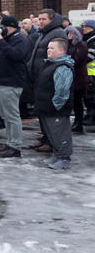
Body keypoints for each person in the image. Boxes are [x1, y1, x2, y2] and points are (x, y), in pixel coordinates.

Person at [0, 16, 31, 158]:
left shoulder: (20, 39)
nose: (2, 29)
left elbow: (17, 55)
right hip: (0, 82)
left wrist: (1, 42)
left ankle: (15, 146)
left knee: (12, 116)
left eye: (4, 27)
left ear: (12, 26)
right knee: (5, 116)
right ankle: (10, 143)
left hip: (11, 83)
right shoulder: (4, 38)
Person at [27, 9, 67, 151]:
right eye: (39, 19)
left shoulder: (58, 33)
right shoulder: (44, 32)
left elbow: (57, 56)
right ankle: (45, 138)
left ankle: (51, 142)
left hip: (48, 78)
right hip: (39, 77)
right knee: (42, 111)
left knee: (48, 112)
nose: (40, 21)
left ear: (52, 19)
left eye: (43, 19)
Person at [35, 38, 74, 169]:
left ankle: (64, 158)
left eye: (52, 48)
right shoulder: (50, 64)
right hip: (47, 107)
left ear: (61, 50)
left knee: (60, 133)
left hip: (56, 109)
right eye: (48, 48)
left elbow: (62, 90)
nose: (48, 50)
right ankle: (58, 155)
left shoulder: (63, 66)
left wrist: (55, 106)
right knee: (52, 134)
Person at [65, 25, 89, 134]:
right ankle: (76, 122)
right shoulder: (68, 45)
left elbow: (77, 59)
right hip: (71, 78)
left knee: (78, 102)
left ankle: (79, 123)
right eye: (68, 33)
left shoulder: (81, 45)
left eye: (71, 33)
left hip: (79, 78)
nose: (69, 35)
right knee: (74, 102)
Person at [81, 20, 95, 126]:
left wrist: (79, 60)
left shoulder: (93, 40)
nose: (84, 29)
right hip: (89, 71)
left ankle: (91, 117)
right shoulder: (88, 39)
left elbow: (90, 56)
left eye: (86, 27)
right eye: (83, 26)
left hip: (92, 72)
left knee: (91, 96)